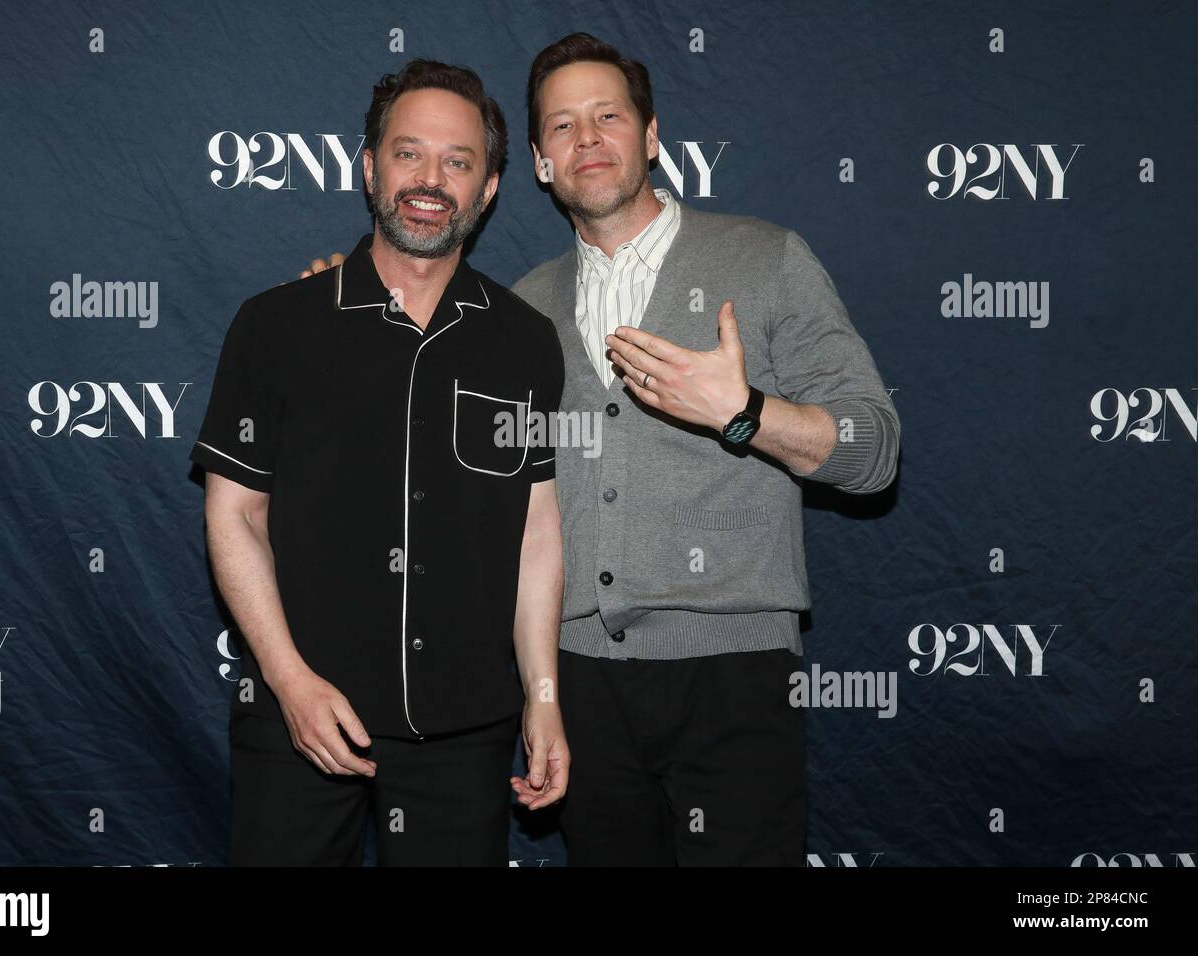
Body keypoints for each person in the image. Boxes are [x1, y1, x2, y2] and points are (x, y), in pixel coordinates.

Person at [306, 33, 901, 866]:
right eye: (561, 126)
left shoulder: (766, 260)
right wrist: (344, 307)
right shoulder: (519, 310)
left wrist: (744, 412)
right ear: (541, 165)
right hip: (577, 683)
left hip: (731, 673)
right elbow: (443, 460)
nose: (587, 139)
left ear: (651, 136)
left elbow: (874, 452)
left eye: (608, 116)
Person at [193, 60, 569, 866]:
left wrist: (542, 698)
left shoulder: (525, 341)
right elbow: (234, 513)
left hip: (466, 731)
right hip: (297, 714)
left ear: (491, 187)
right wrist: (289, 682)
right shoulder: (275, 327)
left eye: (458, 161)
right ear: (369, 169)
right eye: (409, 154)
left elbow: (535, 533)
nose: (431, 180)